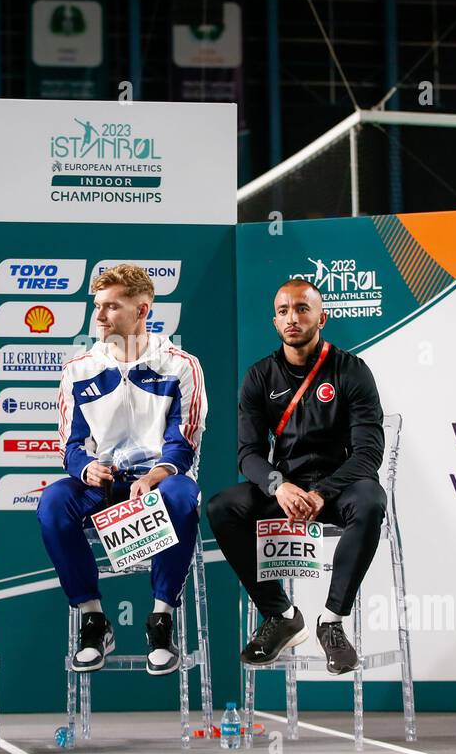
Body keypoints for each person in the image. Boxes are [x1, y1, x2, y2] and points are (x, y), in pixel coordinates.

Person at [206, 278, 387, 674]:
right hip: (286, 488)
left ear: (322, 317)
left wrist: (323, 493)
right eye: (284, 311)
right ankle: (282, 614)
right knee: (222, 507)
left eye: (302, 309)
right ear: (275, 322)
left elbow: (369, 453)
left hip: (339, 488)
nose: (293, 317)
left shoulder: (352, 372)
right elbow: (248, 453)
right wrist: (279, 485)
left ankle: (332, 621)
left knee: (372, 501)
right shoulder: (259, 377)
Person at [37, 263, 208, 675]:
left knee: (182, 495)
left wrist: (154, 476)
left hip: (158, 481)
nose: (99, 316)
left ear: (142, 310)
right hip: (106, 483)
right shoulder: (79, 370)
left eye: (111, 307)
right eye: (98, 306)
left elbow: (183, 443)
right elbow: (71, 444)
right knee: (53, 502)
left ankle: (161, 618)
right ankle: (94, 620)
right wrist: (86, 469)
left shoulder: (180, 365)